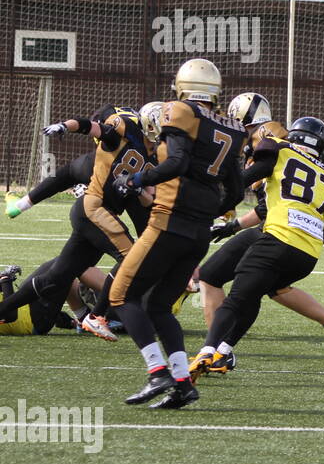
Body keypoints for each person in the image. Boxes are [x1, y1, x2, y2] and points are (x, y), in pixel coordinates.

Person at [115, 58, 246, 410]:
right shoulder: (232, 126)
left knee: (120, 296)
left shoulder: (179, 111)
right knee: (159, 307)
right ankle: (183, 384)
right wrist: (206, 211)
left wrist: (135, 179)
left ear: (182, 86)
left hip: (168, 221)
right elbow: (235, 192)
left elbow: (176, 164)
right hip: (198, 230)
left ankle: (158, 372)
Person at [190, 117, 324, 379]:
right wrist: (232, 227)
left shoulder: (279, 151)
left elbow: (240, 183)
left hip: (278, 238)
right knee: (225, 278)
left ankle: (212, 351)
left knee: (242, 294)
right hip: (306, 251)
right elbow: (321, 228)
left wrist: (210, 204)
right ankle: (221, 349)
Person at [0, 106, 153, 341]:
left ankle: (3, 311)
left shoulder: (154, 153)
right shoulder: (122, 134)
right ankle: (97, 316)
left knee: (55, 279)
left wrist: (138, 188)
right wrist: (65, 126)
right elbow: (90, 126)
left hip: (96, 215)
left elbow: (147, 200)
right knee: (132, 257)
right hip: (94, 209)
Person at [0, 263, 80, 335]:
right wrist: (5, 279)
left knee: (63, 263)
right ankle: (85, 317)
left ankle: (76, 321)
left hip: (27, 304)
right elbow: (10, 316)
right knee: (68, 264)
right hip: (34, 321)